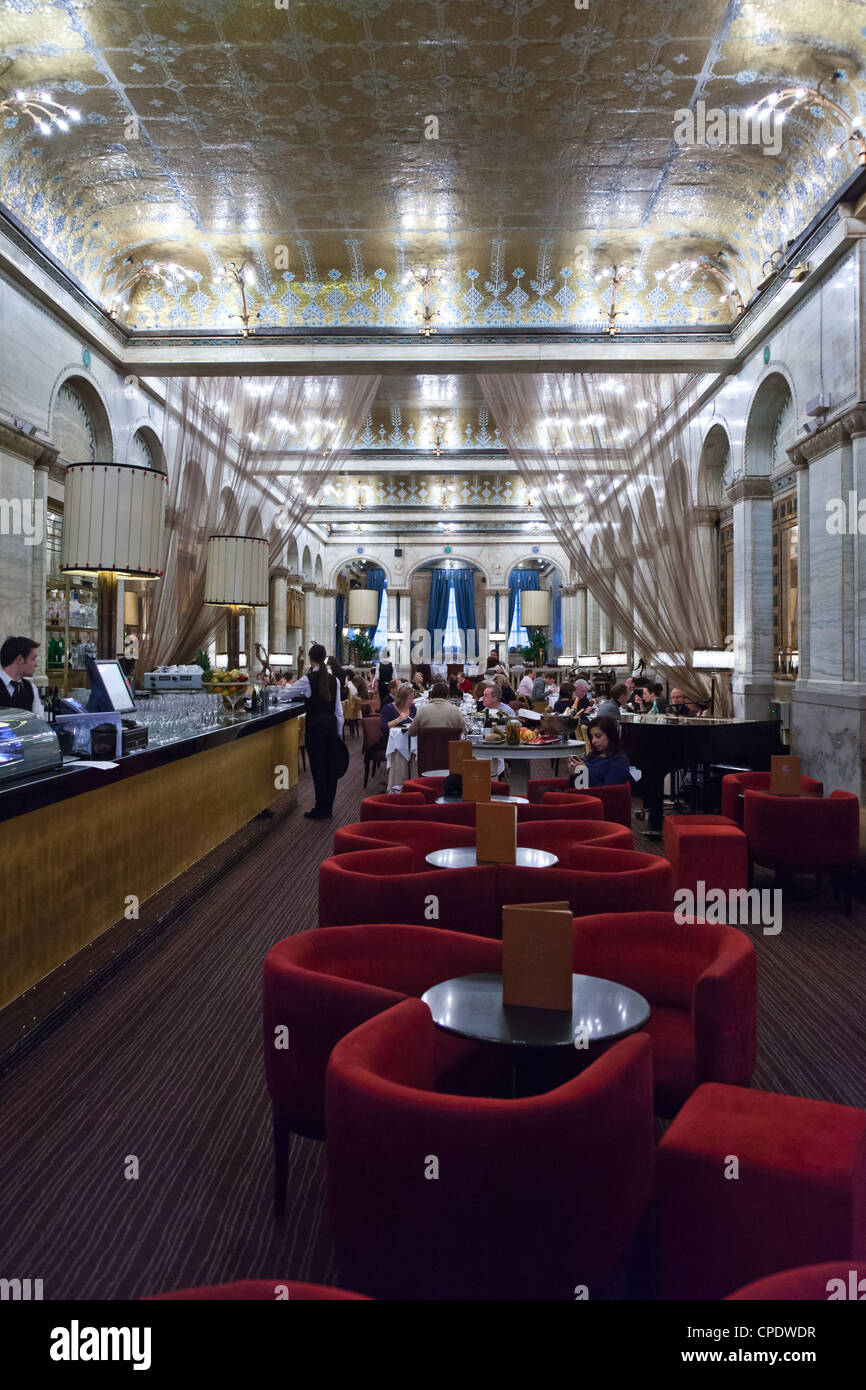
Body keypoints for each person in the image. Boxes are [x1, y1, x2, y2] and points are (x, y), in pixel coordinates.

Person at [282, 642, 343, 819]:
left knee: (318, 768)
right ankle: (328, 807)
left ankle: (320, 807)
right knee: (330, 769)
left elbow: (286, 695)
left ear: (310, 658)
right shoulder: (335, 681)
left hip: (315, 728)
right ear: (324, 658)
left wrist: (280, 687)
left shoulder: (307, 680)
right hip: (331, 727)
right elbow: (338, 709)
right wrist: (339, 732)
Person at [567, 716, 631, 788]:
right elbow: (578, 787)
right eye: (592, 737)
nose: (593, 741)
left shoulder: (620, 761)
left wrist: (584, 772)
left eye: (598, 736)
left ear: (610, 735)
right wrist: (574, 774)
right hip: (581, 797)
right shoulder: (593, 755)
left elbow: (608, 792)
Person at [384, 683, 416, 792]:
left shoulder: (412, 708)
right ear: (401, 698)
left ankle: (412, 784)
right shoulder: (389, 708)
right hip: (392, 741)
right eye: (409, 698)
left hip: (409, 740)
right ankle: (398, 785)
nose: (411, 701)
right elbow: (383, 727)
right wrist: (398, 720)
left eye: (413, 698)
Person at [0, 636, 44, 715]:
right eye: (33, 659)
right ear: (20, 659)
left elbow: (40, 722)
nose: (36, 664)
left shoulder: (31, 688)